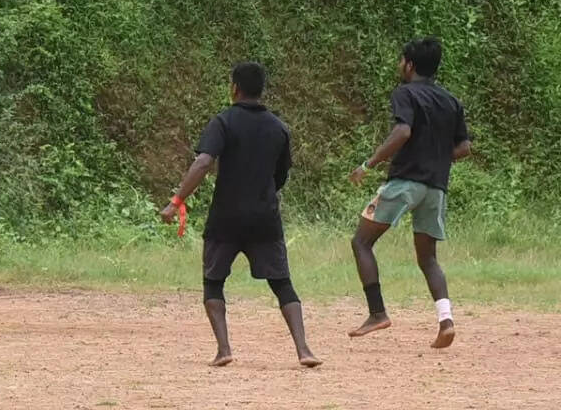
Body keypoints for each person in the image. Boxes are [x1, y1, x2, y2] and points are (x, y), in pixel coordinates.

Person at [157, 62, 321, 368]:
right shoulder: (279, 127)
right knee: (282, 282)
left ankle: (224, 349)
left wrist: (177, 200)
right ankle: (303, 349)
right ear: (261, 90)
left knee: (213, 281)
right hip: (264, 218)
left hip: (225, 218)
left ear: (234, 88)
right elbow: (281, 175)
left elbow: (204, 161)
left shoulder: (223, 121)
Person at [348, 37, 471, 349]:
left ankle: (377, 313)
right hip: (436, 188)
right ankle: (446, 321)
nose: (399, 65)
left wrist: (369, 163)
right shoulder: (450, 101)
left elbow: (403, 131)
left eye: (401, 60)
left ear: (410, 65)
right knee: (428, 258)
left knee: (361, 242)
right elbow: (464, 148)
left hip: (405, 182)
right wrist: (437, 157)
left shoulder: (405, 93)